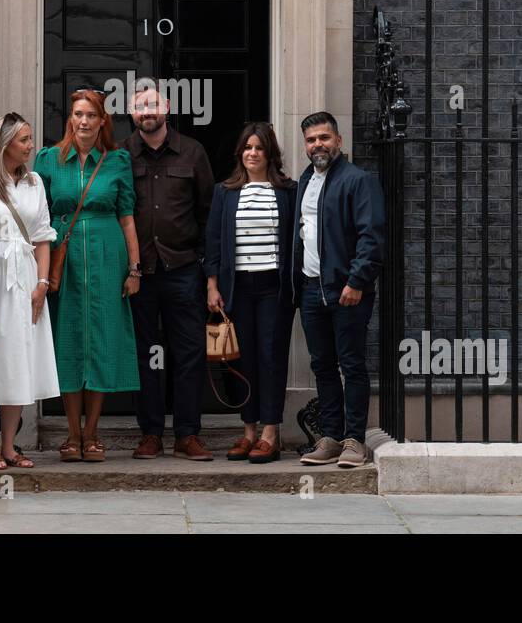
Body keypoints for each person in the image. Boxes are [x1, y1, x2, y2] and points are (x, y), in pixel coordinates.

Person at [33, 89, 141, 463]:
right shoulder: (48, 159)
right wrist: (39, 271)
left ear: (102, 122)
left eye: (91, 115)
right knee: (69, 340)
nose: (84, 121)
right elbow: (37, 216)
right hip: (65, 261)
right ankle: (71, 434)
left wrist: (134, 267)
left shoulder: (117, 161)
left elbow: (127, 216)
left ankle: (92, 435)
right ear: (70, 119)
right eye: (78, 114)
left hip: (107, 256)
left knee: (101, 341)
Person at [125, 81, 215, 461]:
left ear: (167, 107)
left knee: (189, 352)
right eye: (140, 107)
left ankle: (187, 434)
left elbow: (208, 213)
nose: (147, 112)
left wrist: (207, 269)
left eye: (152, 105)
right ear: (131, 113)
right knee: (142, 354)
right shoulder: (120, 155)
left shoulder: (192, 152)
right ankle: (150, 434)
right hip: (139, 272)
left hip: (182, 268)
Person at [292, 111, 385, 468]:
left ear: (339, 141)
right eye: (311, 139)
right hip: (312, 289)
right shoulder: (305, 181)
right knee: (323, 366)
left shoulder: (357, 180)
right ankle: (330, 437)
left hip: (347, 290)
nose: (318, 145)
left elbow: (371, 235)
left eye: (324, 138)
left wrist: (357, 280)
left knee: (352, 365)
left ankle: (354, 440)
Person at [0, 112, 60, 470]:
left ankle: (10, 445)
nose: (31, 146)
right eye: (24, 140)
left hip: (25, 277)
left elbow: (42, 236)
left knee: (19, 357)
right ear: (4, 143)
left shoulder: (34, 182)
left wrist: (42, 283)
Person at [205, 121, 296, 463]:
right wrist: (212, 285)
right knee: (243, 360)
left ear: (269, 152)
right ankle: (248, 432)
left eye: (259, 147)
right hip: (237, 288)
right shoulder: (225, 192)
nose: (252, 153)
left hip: (274, 287)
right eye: (247, 147)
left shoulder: (288, 191)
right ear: (239, 153)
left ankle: (270, 433)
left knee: (271, 358)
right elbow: (213, 240)